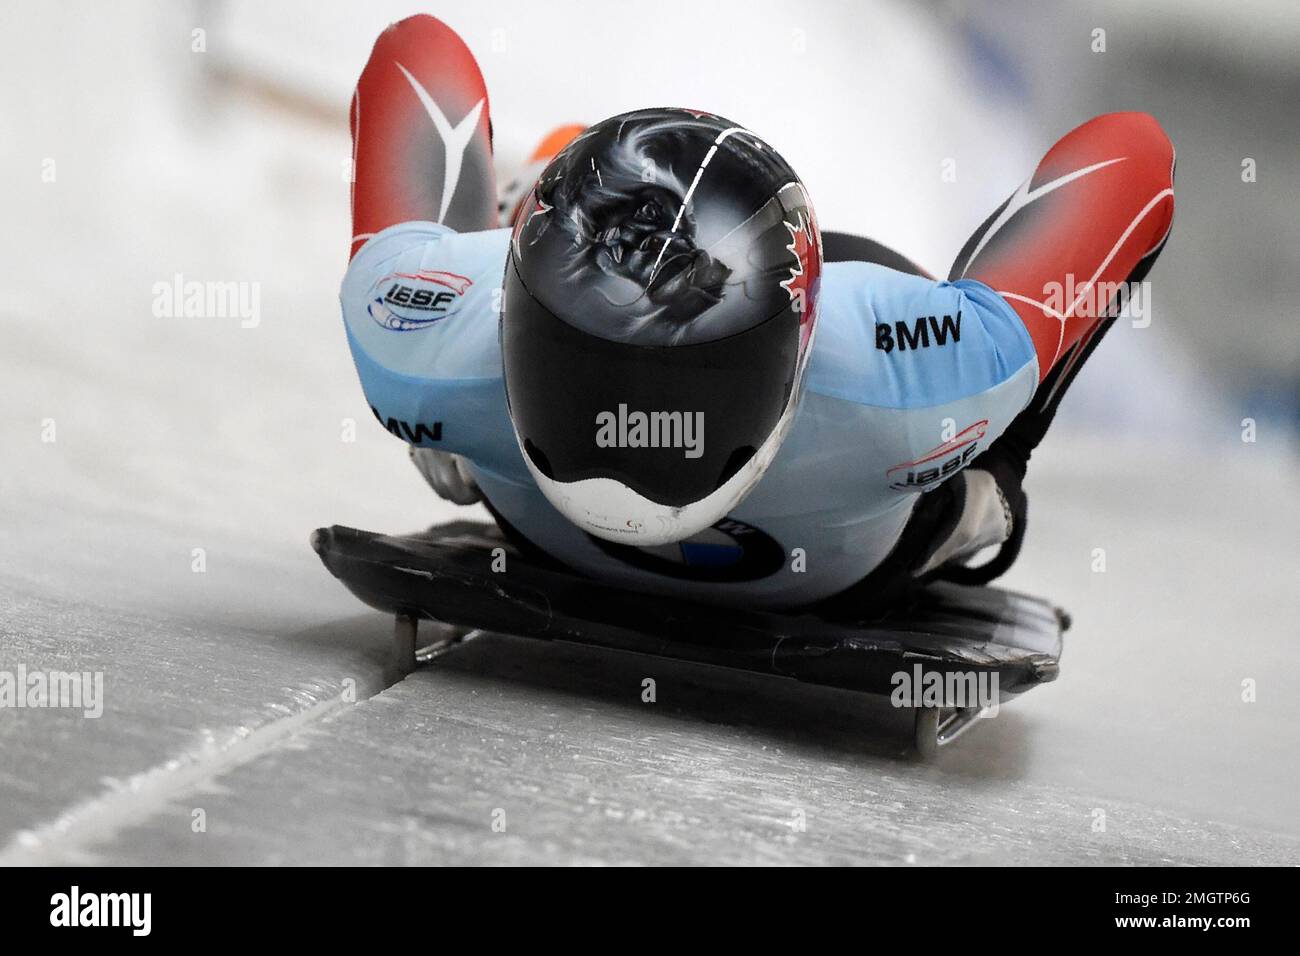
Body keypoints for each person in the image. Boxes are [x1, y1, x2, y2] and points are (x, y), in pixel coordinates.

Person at [342, 15, 1175, 612]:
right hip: (848, 570)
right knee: (978, 462)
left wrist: (440, 427)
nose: (628, 438)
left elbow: (416, 50)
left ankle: (979, 490)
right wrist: (998, 460)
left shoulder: (412, 344)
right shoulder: (910, 388)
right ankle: (981, 500)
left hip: (521, 514)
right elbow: (1136, 155)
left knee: (548, 168)